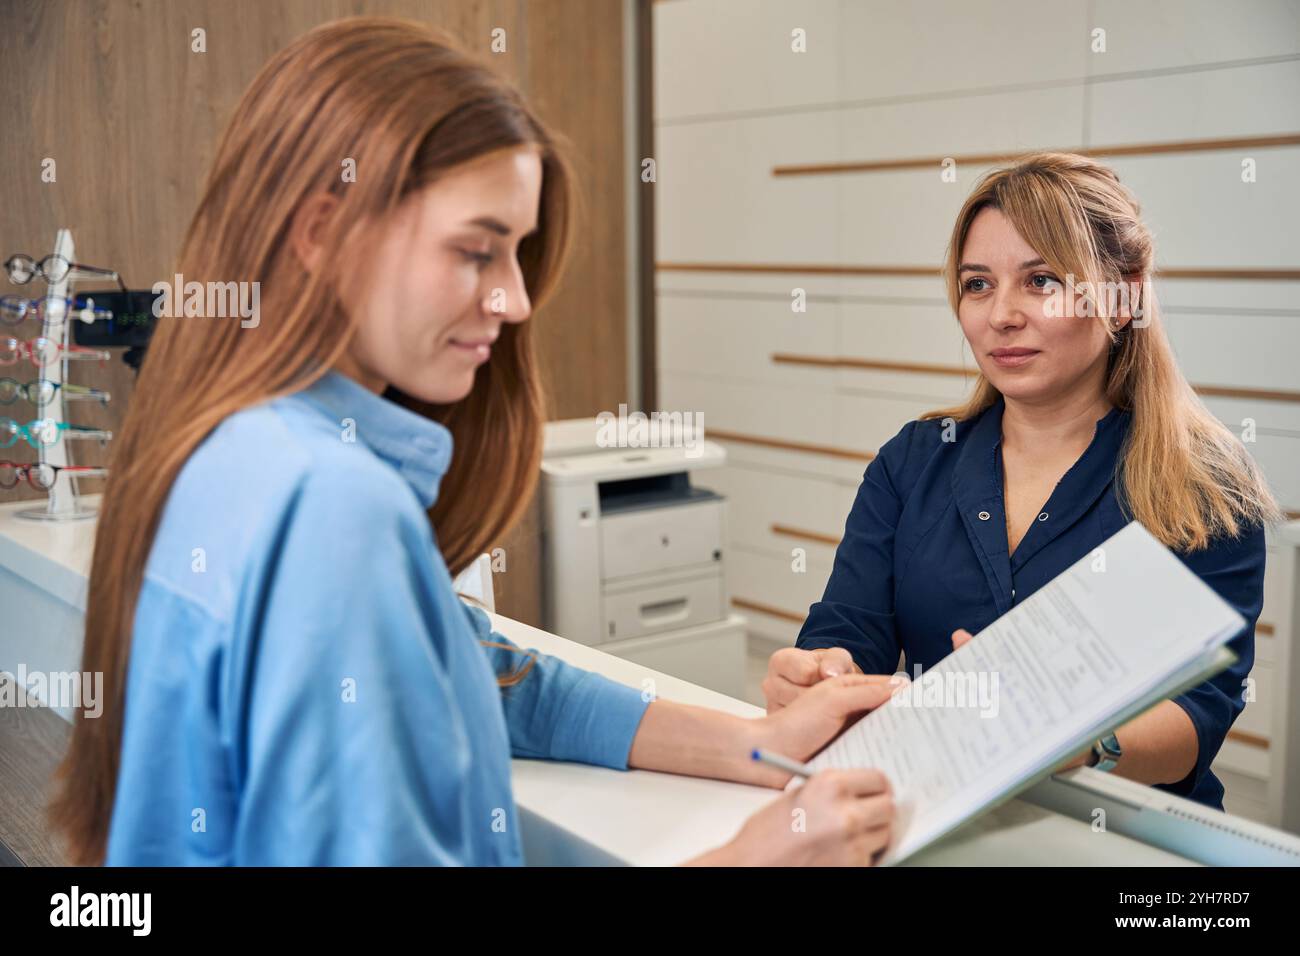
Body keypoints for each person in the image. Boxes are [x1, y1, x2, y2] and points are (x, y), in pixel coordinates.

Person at [48, 18, 897, 866]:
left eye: (517, 255)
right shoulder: (330, 502)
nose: (516, 300)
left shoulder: (228, 449)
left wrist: (758, 740)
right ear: (319, 233)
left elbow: (487, 676)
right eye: (476, 252)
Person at [763, 152, 1282, 809]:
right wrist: (822, 674)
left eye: (1041, 280)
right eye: (978, 284)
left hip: (1117, 829)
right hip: (932, 807)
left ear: (1123, 295)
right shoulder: (914, 461)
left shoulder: (1203, 483)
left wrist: (1080, 742)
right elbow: (852, 629)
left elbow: (1199, 716)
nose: (1001, 315)